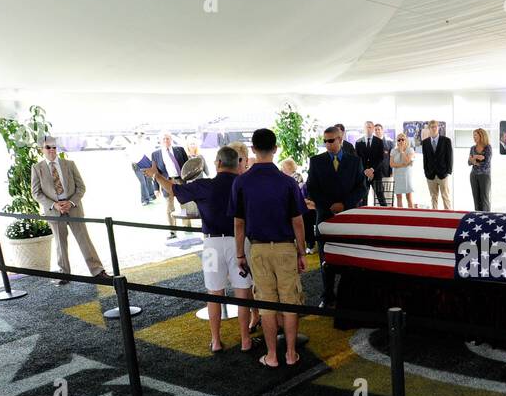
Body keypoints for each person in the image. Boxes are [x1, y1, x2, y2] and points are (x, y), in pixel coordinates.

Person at [153, 145, 253, 354]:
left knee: (214, 293)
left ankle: (216, 341)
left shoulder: (204, 185)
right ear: (238, 164)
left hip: (211, 244)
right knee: (243, 293)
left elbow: (173, 189)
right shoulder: (244, 185)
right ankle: (245, 340)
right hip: (240, 243)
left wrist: (156, 175)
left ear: (217, 163)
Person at [232, 128, 306, 369]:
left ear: (253, 149)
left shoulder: (241, 182)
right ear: (275, 149)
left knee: (265, 304)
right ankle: (291, 353)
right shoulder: (287, 182)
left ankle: (272, 355)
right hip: (285, 248)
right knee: (289, 302)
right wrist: (302, 252)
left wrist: (240, 254)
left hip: (258, 249)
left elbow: (239, 222)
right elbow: (297, 221)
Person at [29, 138, 113, 286]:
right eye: (48, 148)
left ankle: (98, 272)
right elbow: (36, 193)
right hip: (54, 211)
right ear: (41, 150)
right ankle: (64, 274)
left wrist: (71, 202)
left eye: (54, 147)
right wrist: (54, 205)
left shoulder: (69, 164)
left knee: (84, 241)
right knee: (60, 244)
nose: (51, 150)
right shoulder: (37, 168)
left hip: (73, 208)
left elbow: (81, 187)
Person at [306, 125, 367, 309]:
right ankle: (327, 295)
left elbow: (361, 188)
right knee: (325, 257)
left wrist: (345, 204)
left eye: (331, 140)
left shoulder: (354, 161)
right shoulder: (316, 161)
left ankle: (348, 296)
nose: (327, 144)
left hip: (348, 216)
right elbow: (312, 188)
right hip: (325, 215)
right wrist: (328, 206)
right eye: (325, 141)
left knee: (349, 256)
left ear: (340, 139)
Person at [152, 132, 190, 238]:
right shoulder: (155, 154)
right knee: (169, 208)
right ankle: (173, 231)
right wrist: (156, 188)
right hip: (166, 182)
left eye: (168, 138)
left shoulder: (180, 150)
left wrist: (189, 180)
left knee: (184, 206)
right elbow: (155, 172)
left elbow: (187, 166)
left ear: (171, 139)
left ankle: (187, 228)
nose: (166, 141)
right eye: (164, 139)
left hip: (181, 181)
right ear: (160, 140)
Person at [421, 120, 453, 209]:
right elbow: (425, 159)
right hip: (430, 175)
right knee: (433, 197)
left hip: (443, 174)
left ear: (438, 128)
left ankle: (448, 217)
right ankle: (435, 217)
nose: (434, 128)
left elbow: (449, 157)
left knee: (445, 197)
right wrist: (426, 171)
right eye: (432, 127)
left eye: (435, 126)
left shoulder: (446, 141)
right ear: (429, 129)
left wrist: (448, 171)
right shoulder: (425, 142)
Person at [355, 121, 386, 206]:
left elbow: (381, 158)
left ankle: (386, 216)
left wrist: (372, 170)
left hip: (376, 174)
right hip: (363, 175)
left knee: (381, 197)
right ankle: (364, 217)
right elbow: (357, 159)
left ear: (373, 129)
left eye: (370, 127)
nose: (368, 129)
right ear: (363, 129)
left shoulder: (379, 141)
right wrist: (365, 171)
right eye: (366, 127)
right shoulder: (358, 142)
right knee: (363, 198)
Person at [468, 128, 493, 211]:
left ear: (481, 136)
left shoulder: (488, 148)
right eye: (473, 135)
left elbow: (486, 164)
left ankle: (486, 218)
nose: (474, 137)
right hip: (473, 175)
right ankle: (477, 219)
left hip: (484, 176)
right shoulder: (472, 148)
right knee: (476, 199)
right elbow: (469, 162)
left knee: (484, 199)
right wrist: (477, 158)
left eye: (475, 135)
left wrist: (474, 160)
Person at [390, 133, 415, 208]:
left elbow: (407, 161)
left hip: (407, 176)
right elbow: (391, 164)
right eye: (399, 140)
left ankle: (412, 215)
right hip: (397, 176)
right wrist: (402, 165)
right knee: (399, 197)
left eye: (402, 139)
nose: (400, 141)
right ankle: (400, 215)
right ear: (397, 141)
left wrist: (402, 151)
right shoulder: (393, 151)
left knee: (409, 197)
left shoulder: (410, 150)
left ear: (406, 140)